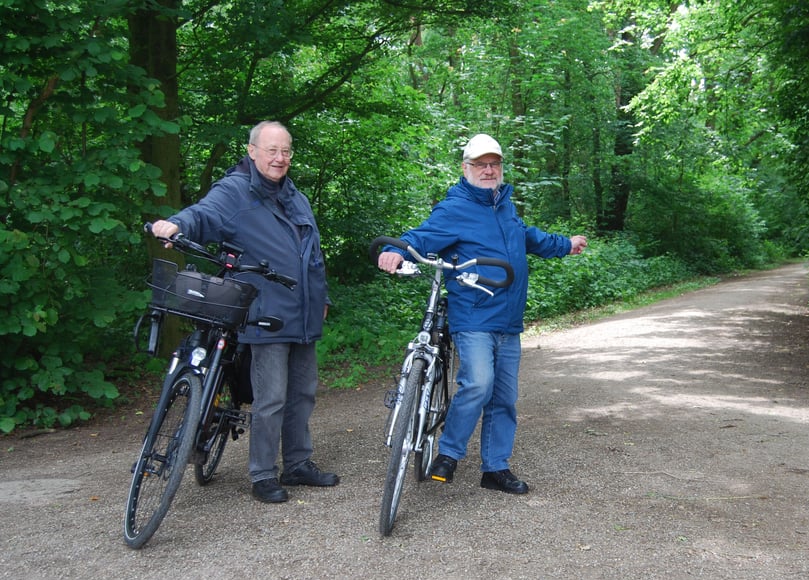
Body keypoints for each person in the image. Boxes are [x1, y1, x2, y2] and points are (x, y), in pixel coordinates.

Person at [377, 133, 587, 495]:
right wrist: (401, 251)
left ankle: (495, 468)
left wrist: (565, 245)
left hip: (509, 319)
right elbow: (423, 236)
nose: (488, 170)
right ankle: (449, 454)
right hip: (474, 313)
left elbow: (527, 237)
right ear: (466, 168)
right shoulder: (455, 206)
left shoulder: (504, 204)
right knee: (478, 383)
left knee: (504, 397)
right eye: (480, 164)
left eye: (494, 164)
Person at [150, 120, 338, 504]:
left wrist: (323, 299)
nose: (279, 158)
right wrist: (176, 226)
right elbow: (203, 214)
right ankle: (263, 474)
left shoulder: (294, 196)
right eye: (271, 150)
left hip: (302, 313)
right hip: (265, 309)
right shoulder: (236, 191)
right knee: (271, 397)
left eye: (285, 151)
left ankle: (298, 463)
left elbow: (312, 257)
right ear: (252, 151)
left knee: (303, 393)